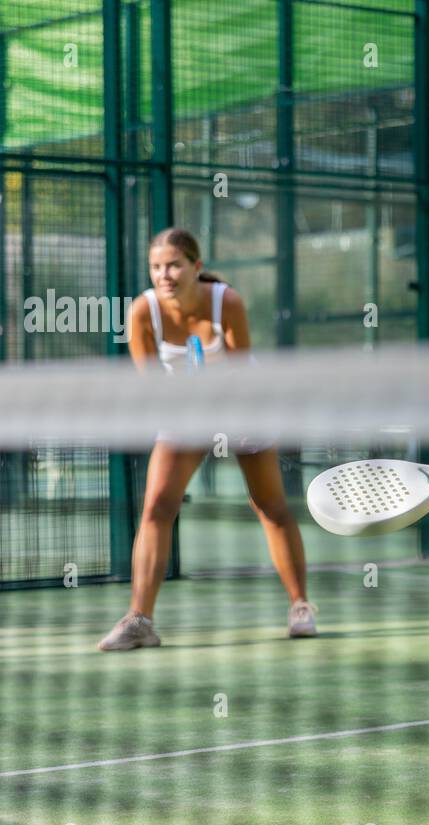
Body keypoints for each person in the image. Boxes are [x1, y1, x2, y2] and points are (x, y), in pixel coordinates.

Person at [97, 228, 319, 650]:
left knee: (270, 506)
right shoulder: (143, 312)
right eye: (156, 267)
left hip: (243, 405)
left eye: (174, 265)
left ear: (196, 267)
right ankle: (139, 620)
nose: (165, 274)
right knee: (157, 507)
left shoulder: (226, 302)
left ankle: (300, 606)